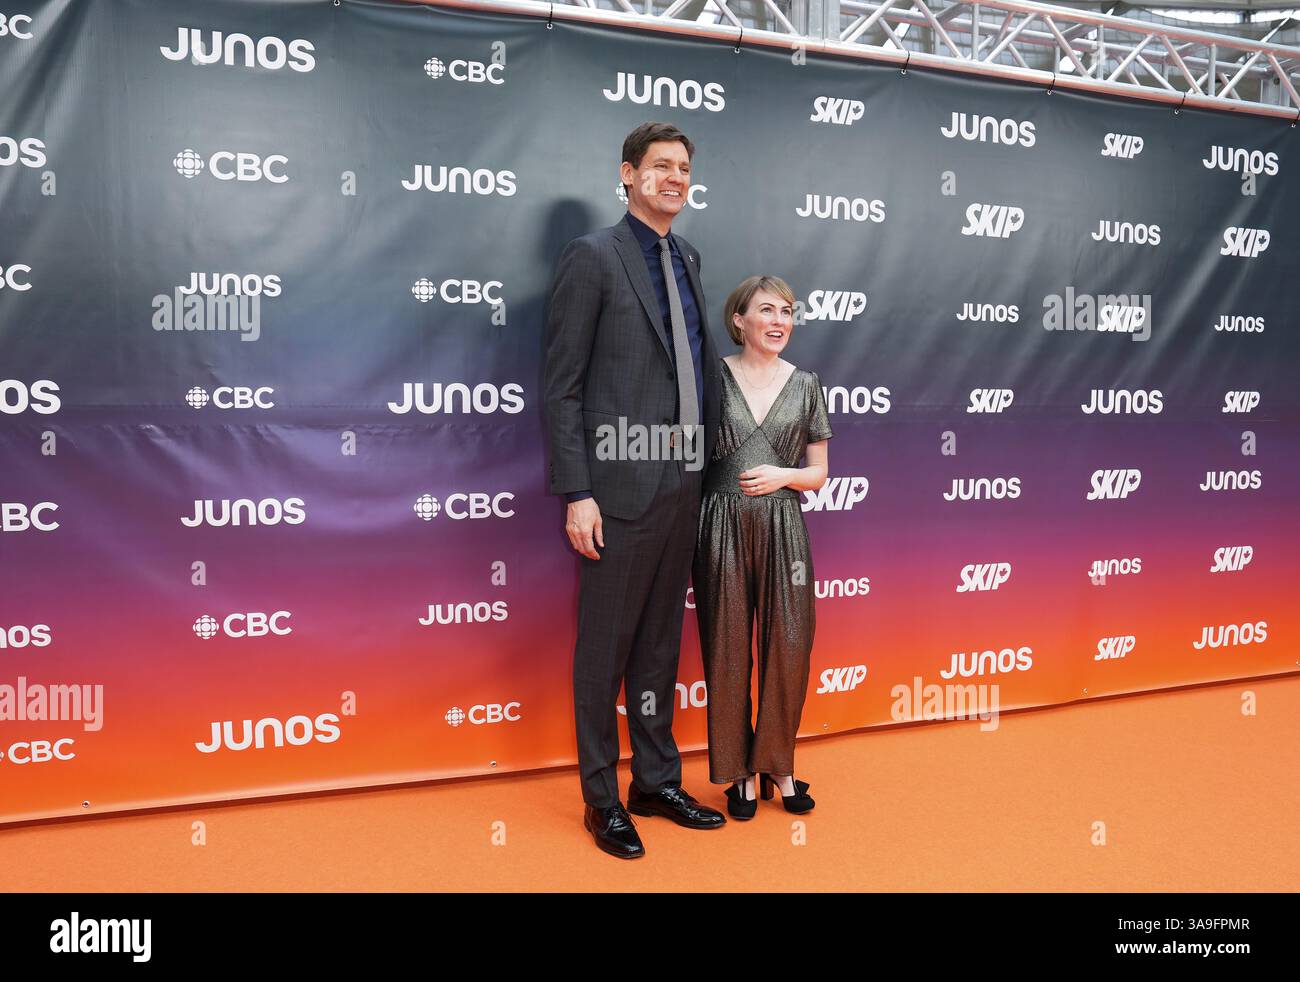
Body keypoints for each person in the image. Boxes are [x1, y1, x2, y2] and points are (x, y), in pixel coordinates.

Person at [543, 121, 727, 859]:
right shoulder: (593, 258)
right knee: (605, 652)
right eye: (659, 166)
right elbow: (561, 390)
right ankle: (602, 799)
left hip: (684, 482)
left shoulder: (688, 257)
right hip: (616, 489)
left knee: (657, 649)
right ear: (627, 175)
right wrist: (576, 492)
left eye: (683, 168)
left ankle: (655, 780)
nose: (674, 178)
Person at [692, 276, 832, 820]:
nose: (780, 321)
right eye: (767, 310)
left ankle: (779, 764)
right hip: (718, 524)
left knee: (789, 645)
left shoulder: (807, 383)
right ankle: (739, 774)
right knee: (725, 649)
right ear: (739, 320)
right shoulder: (711, 379)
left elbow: (819, 474)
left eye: (788, 312)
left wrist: (784, 474)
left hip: (784, 526)